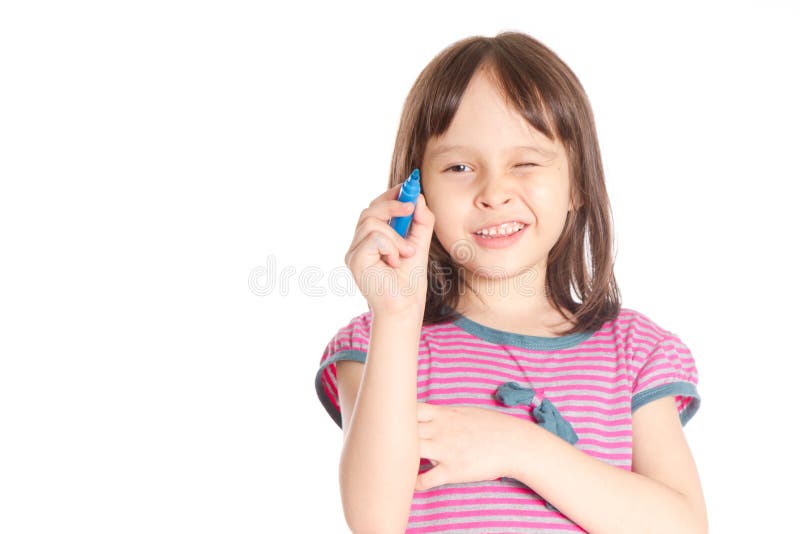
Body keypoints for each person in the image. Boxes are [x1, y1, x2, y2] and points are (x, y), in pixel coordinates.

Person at [314, 31, 708, 534]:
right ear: (418, 191)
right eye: (459, 166)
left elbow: (682, 526)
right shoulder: (378, 344)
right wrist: (396, 315)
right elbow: (375, 522)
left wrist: (518, 447)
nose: (494, 192)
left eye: (524, 163)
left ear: (577, 184)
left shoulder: (633, 352)